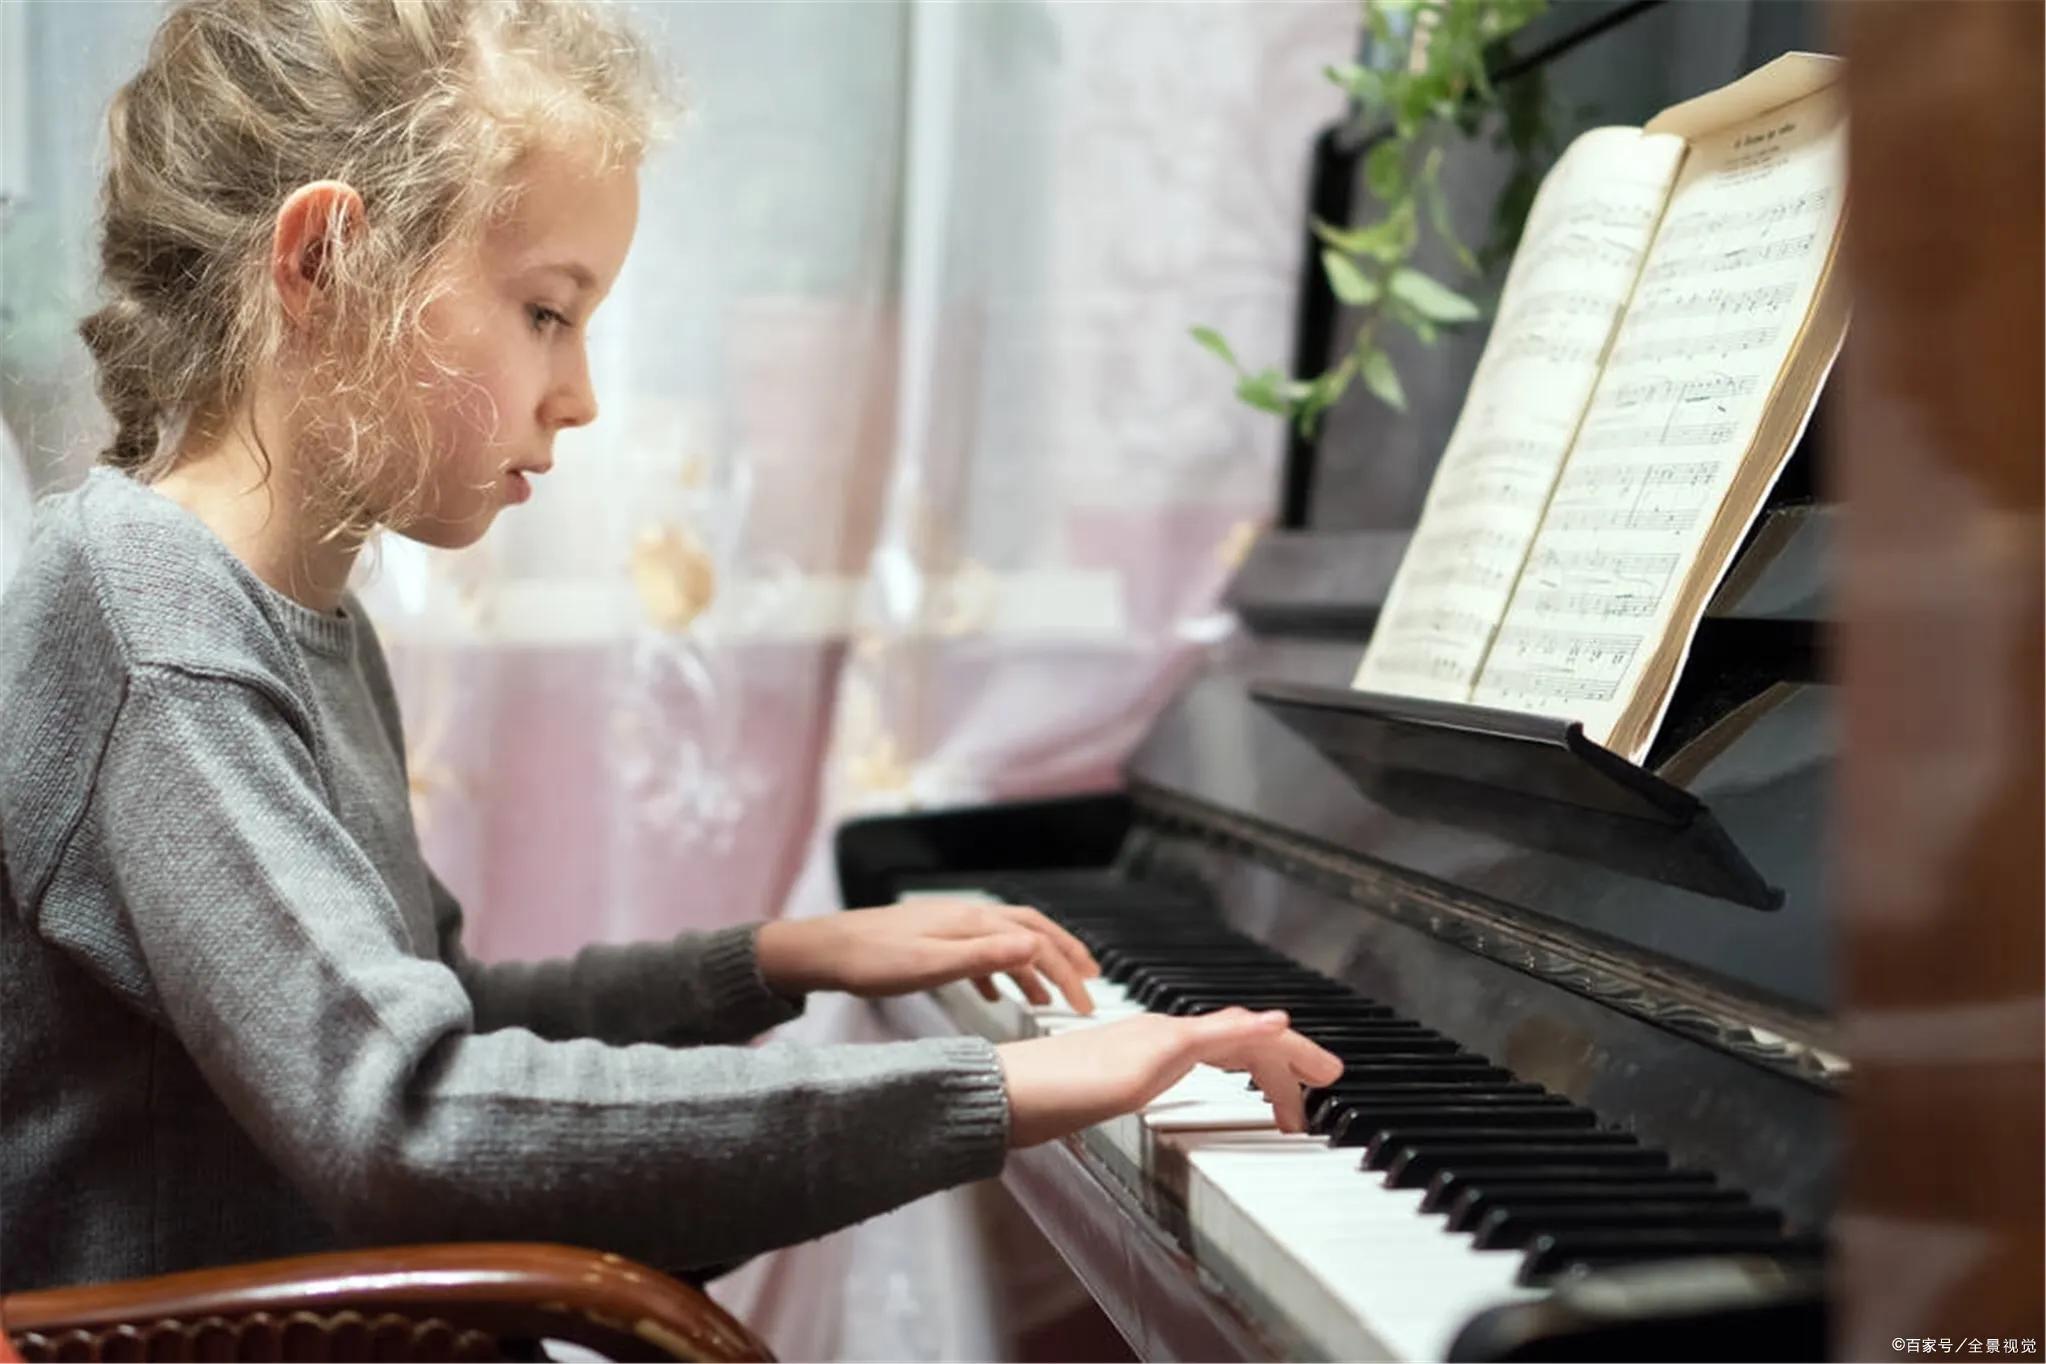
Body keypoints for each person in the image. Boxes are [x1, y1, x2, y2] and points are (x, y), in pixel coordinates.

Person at [0, 0, 1341, 1293]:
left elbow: (444, 1009)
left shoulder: (290, 612)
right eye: (546, 310)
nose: (579, 397)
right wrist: (1004, 1087)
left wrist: (778, 959)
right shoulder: (148, 620)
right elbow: (407, 1121)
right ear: (324, 266)